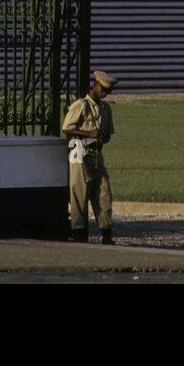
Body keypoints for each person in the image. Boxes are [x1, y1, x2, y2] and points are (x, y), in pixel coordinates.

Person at [62, 70, 117, 244]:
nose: (105, 93)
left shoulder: (106, 108)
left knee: (103, 192)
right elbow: (67, 128)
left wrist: (102, 136)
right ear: (95, 85)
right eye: (103, 89)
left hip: (97, 154)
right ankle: (78, 231)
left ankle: (106, 231)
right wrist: (88, 133)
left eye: (107, 91)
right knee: (79, 193)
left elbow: (108, 134)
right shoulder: (81, 105)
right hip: (80, 153)